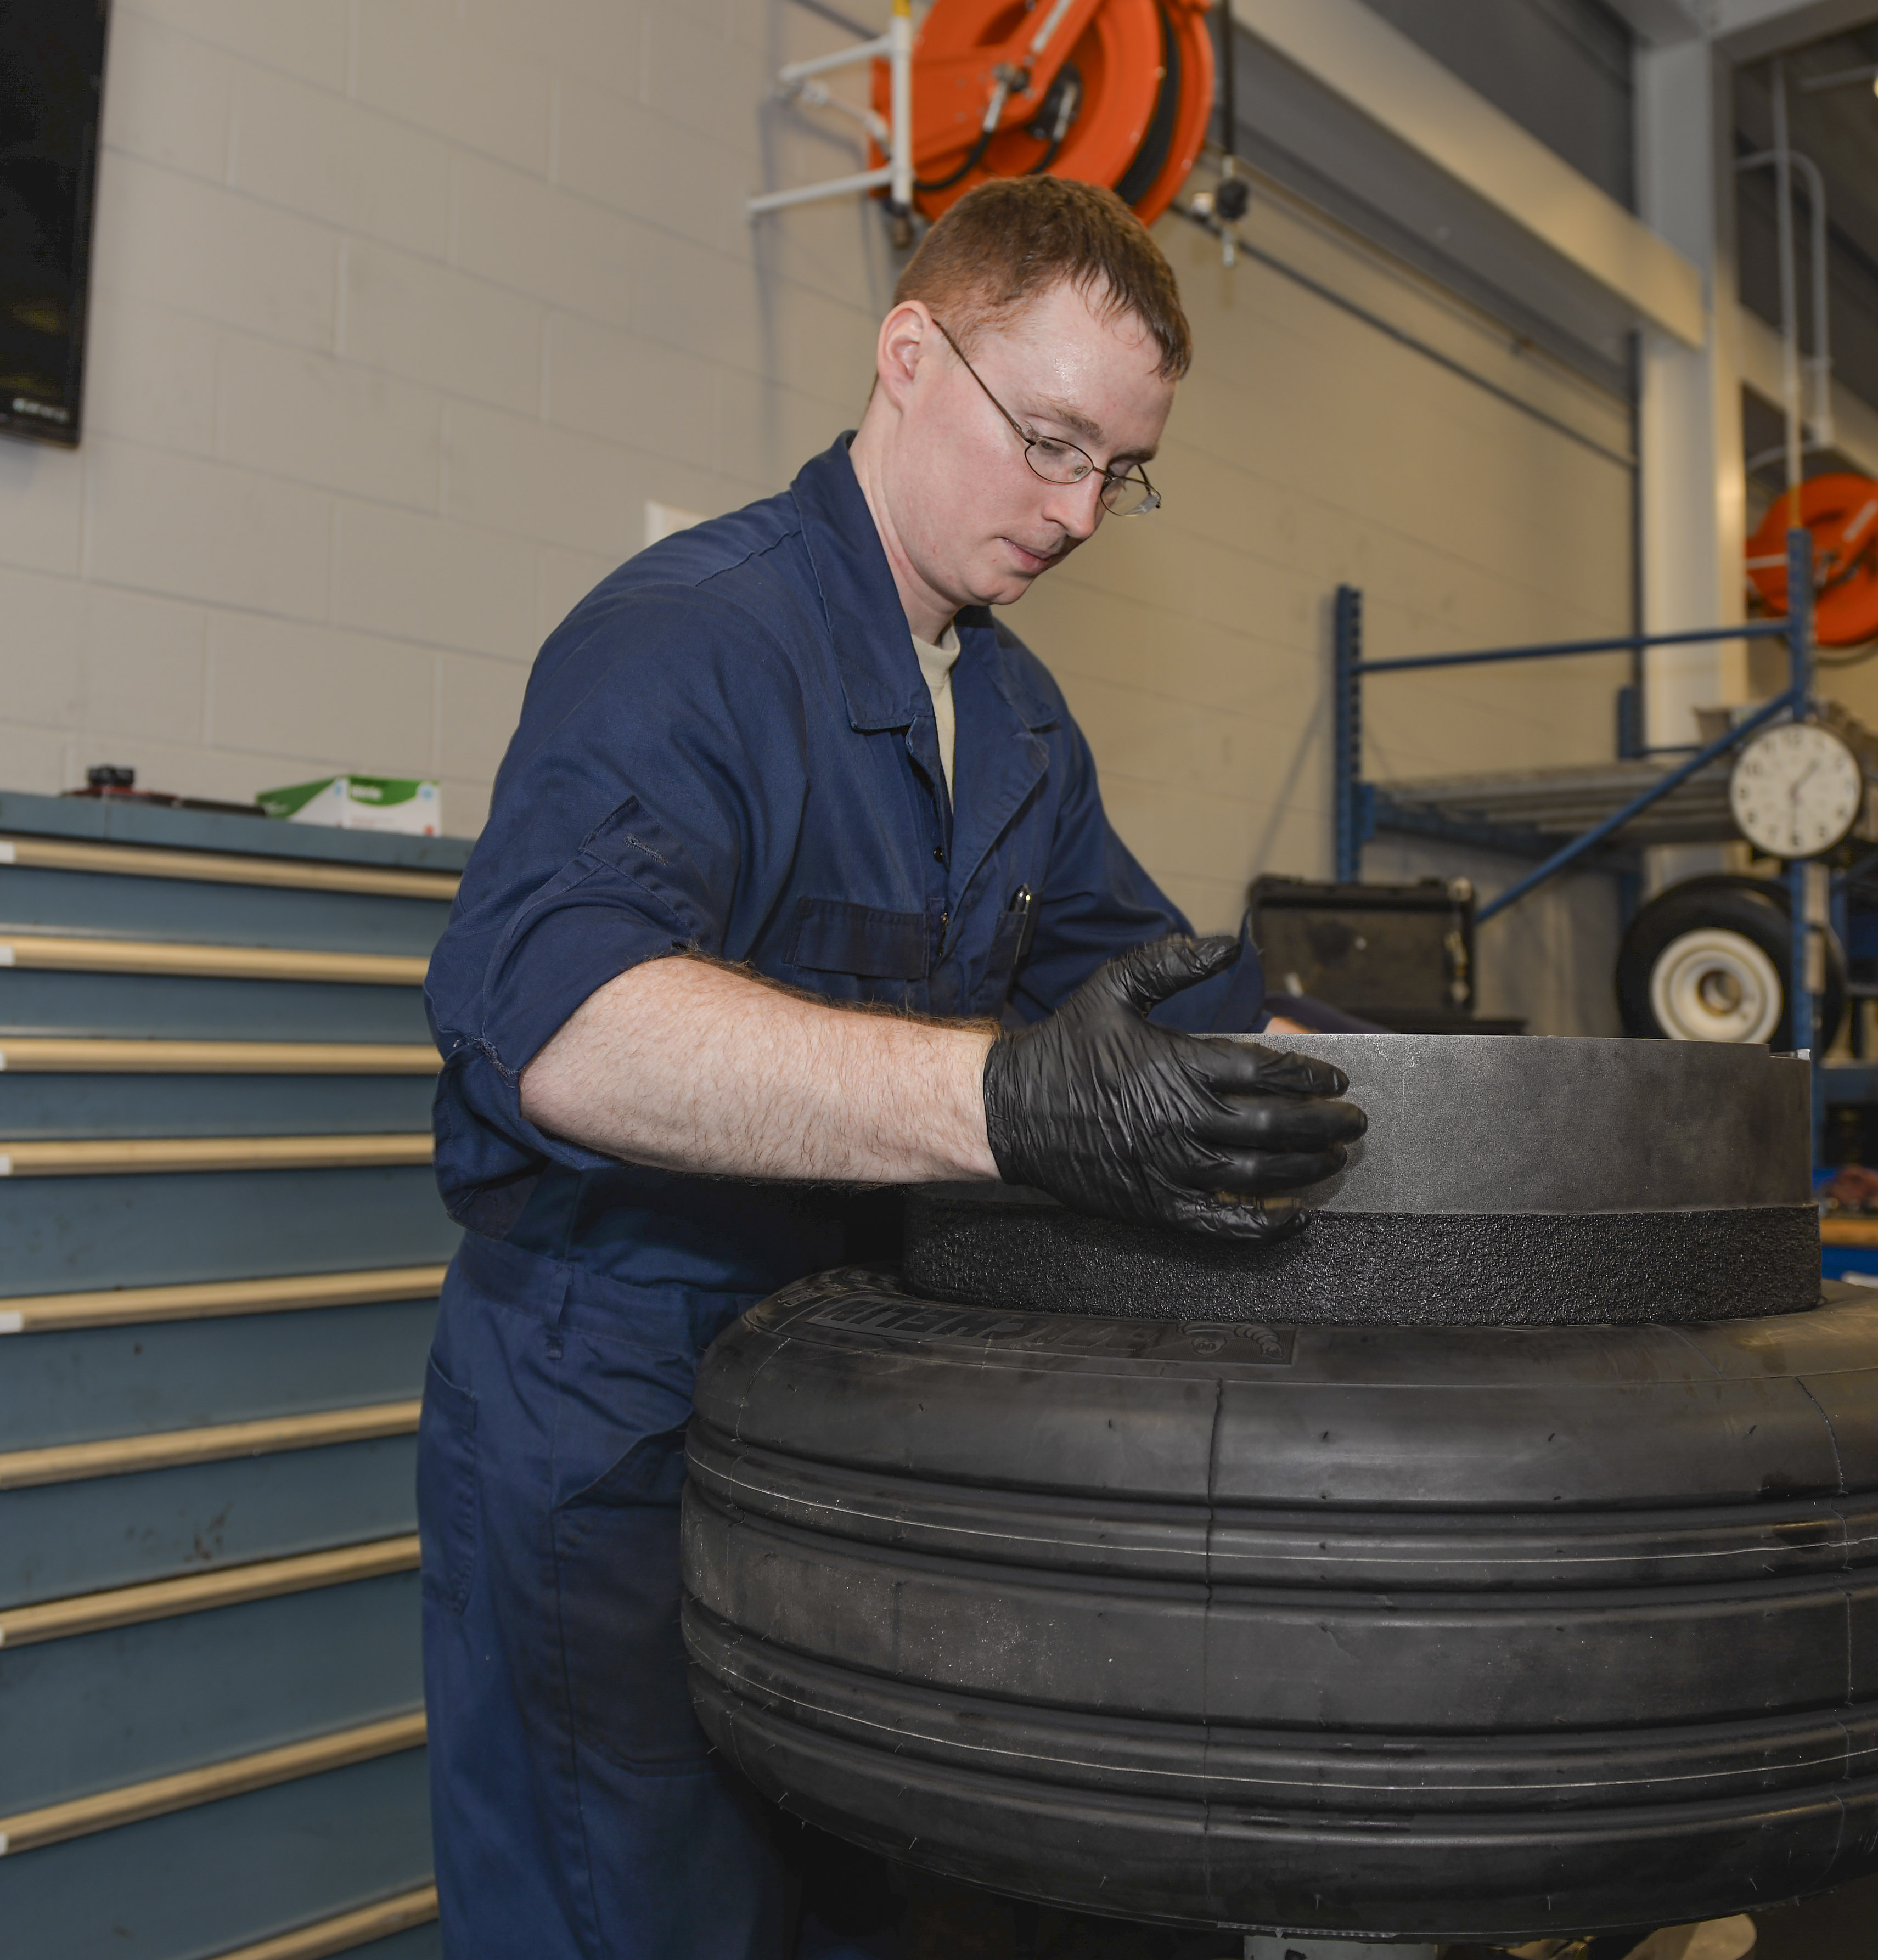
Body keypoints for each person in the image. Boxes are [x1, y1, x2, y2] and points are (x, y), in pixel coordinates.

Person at [417, 179, 1367, 1960]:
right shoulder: (686, 638)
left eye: (1120, 472)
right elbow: (564, 1030)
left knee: (843, 1907)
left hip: (853, 1424)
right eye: (1052, 444)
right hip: (609, 1416)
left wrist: (1436, 1108)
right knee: (628, 1910)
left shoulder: (1010, 715)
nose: (1080, 512)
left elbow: (1167, 998)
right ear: (910, 355)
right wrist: (1004, 1104)